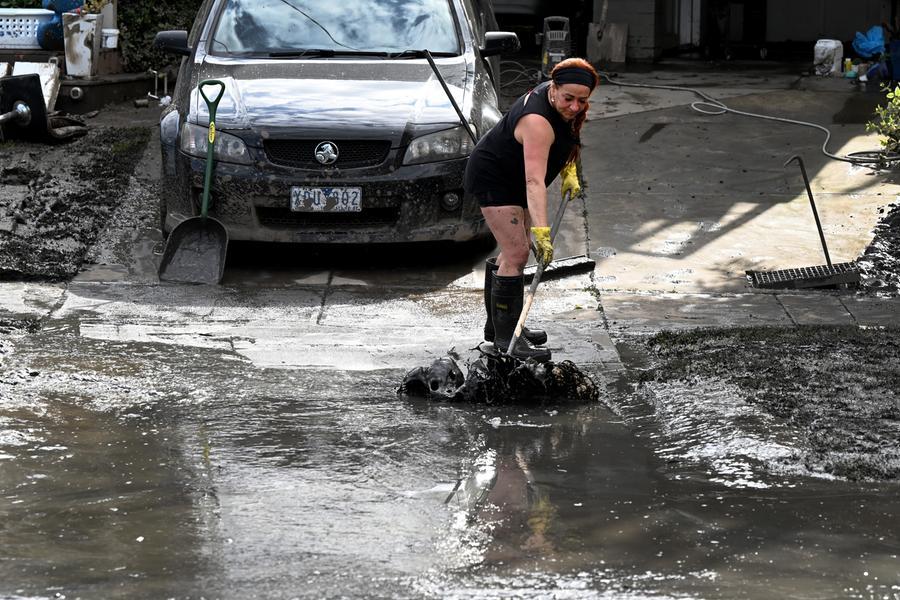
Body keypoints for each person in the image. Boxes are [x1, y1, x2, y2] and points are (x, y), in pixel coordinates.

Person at [464, 57, 599, 362]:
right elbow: (534, 182)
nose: (575, 107)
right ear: (554, 88)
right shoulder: (537, 121)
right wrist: (542, 232)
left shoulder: (560, 101)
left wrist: (568, 169)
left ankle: (502, 327)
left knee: (512, 252)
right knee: (517, 254)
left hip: (511, 175)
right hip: (495, 177)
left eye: (582, 100)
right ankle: (505, 341)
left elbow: (567, 134)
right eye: (569, 98)